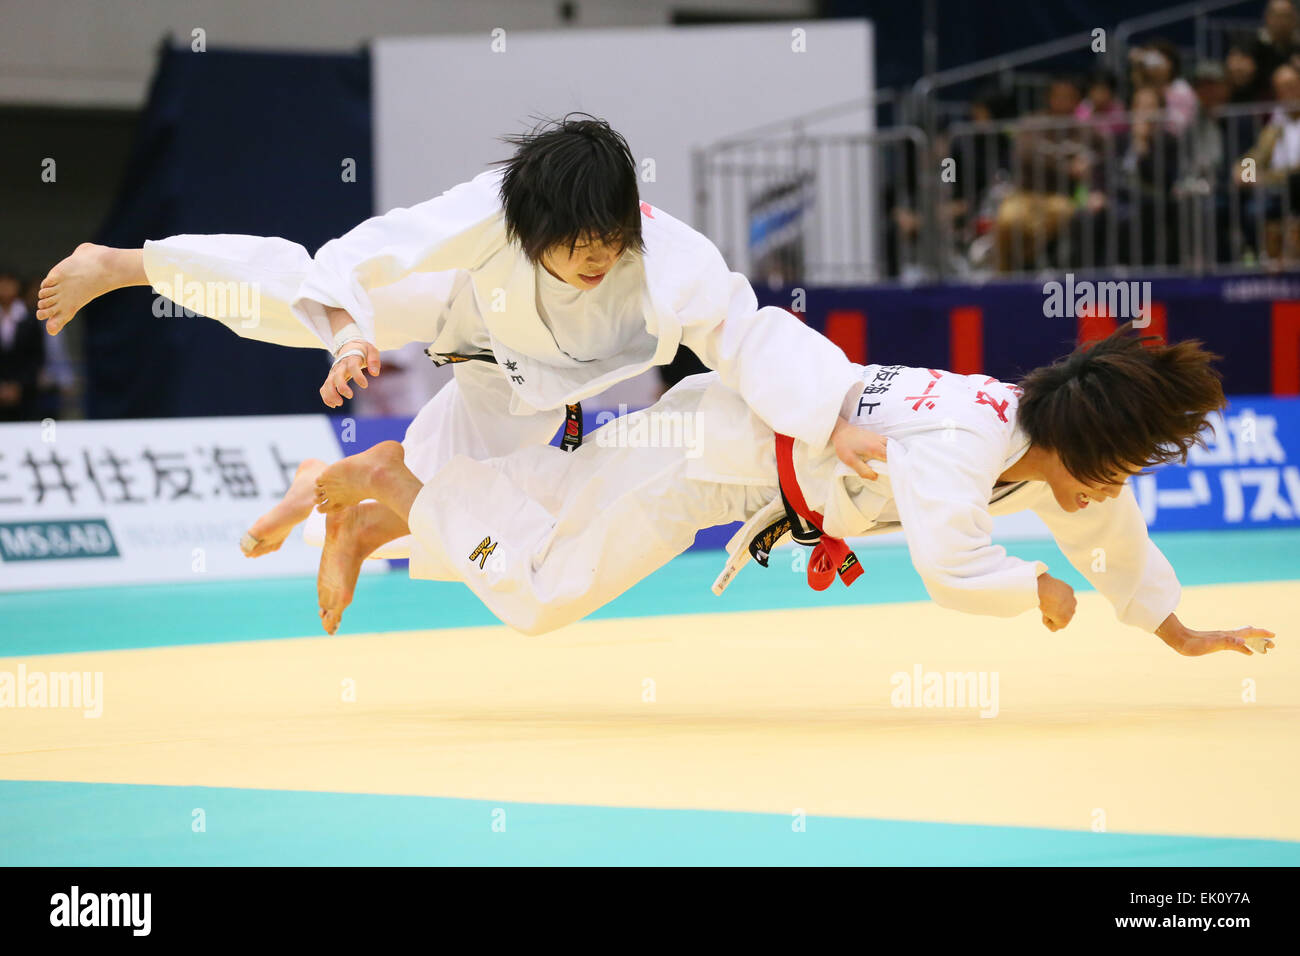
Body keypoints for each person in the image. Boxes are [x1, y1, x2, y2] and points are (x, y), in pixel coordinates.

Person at [36, 114, 887, 556]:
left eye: (607, 244)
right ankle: (124, 264)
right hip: (455, 304)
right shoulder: (487, 211)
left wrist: (829, 415)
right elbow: (356, 257)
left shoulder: (674, 260)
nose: (594, 261)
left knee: (489, 515)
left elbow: (748, 334)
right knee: (293, 294)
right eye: (573, 245)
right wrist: (343, 341)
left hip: (527, 379)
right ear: (529, 222)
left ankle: (341, 509)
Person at [304, 324, 1276, 661]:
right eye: (1110, 466)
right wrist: (1031, 588)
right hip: (711, 461)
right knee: (538, 593)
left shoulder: (1049, 435)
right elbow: (949, 564)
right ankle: (389, 480)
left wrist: (1177, 629)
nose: (1108, 488)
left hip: (724, 440)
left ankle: (363, 519)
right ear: (1080, 442)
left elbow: (1109, 534)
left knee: (526, 502)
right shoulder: (967, 441)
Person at [0, 269, 44, 422]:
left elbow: (36, 357)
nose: (5, 288)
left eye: (9, 283)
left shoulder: (29, 318)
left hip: (25, 393)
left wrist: (18, 385)